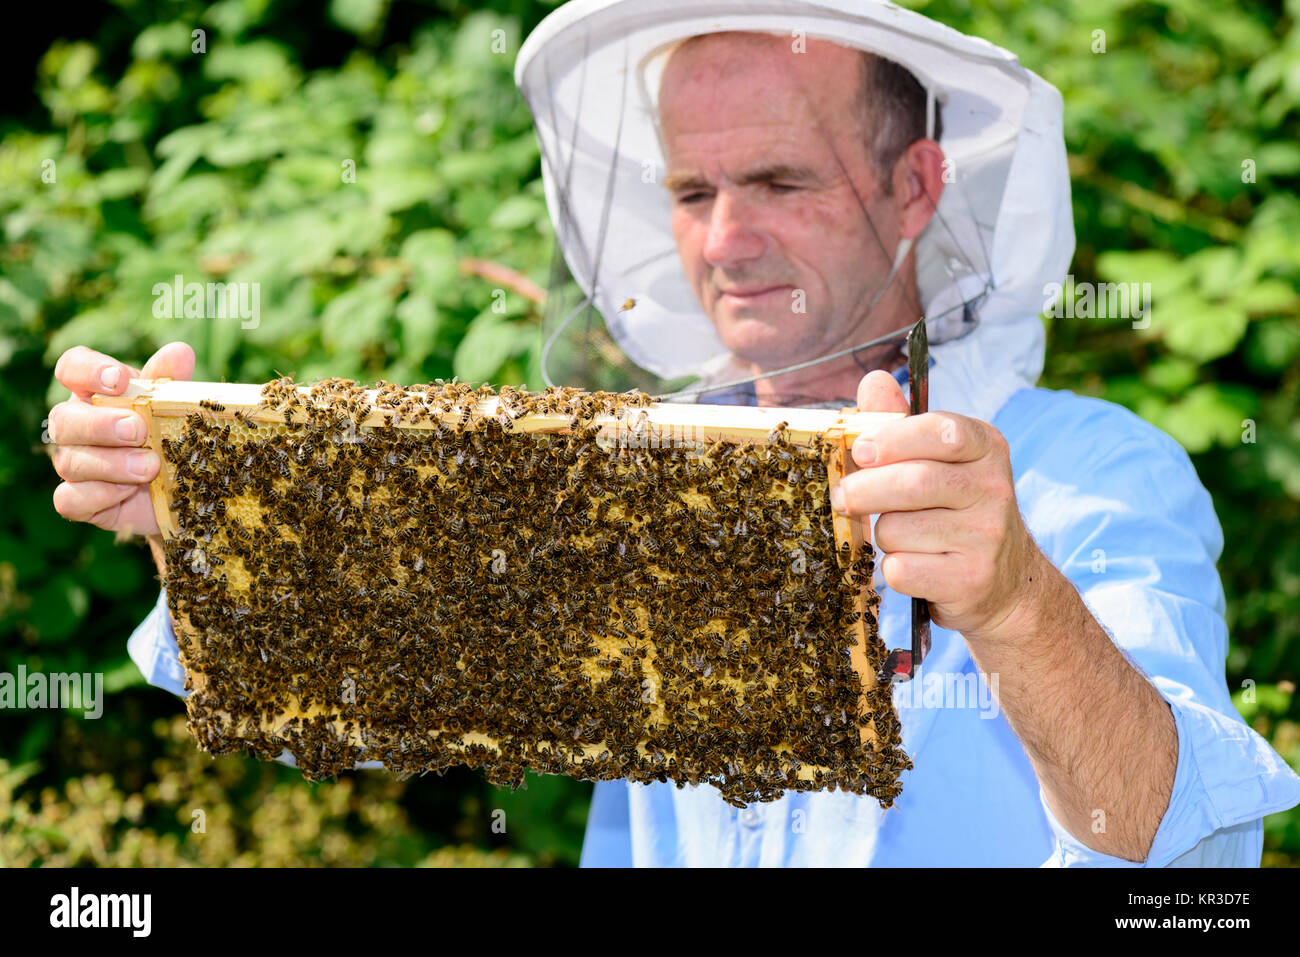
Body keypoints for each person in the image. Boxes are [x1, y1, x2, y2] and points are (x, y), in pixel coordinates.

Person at [48, 0, 1300, 866]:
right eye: (693, 192)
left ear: (917, 187)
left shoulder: (1089, 476)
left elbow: (1186, 861)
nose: (722, 242)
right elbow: (379, 693)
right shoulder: (631, 474)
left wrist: (1016, 601)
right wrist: (202, 517)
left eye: (781, 182)